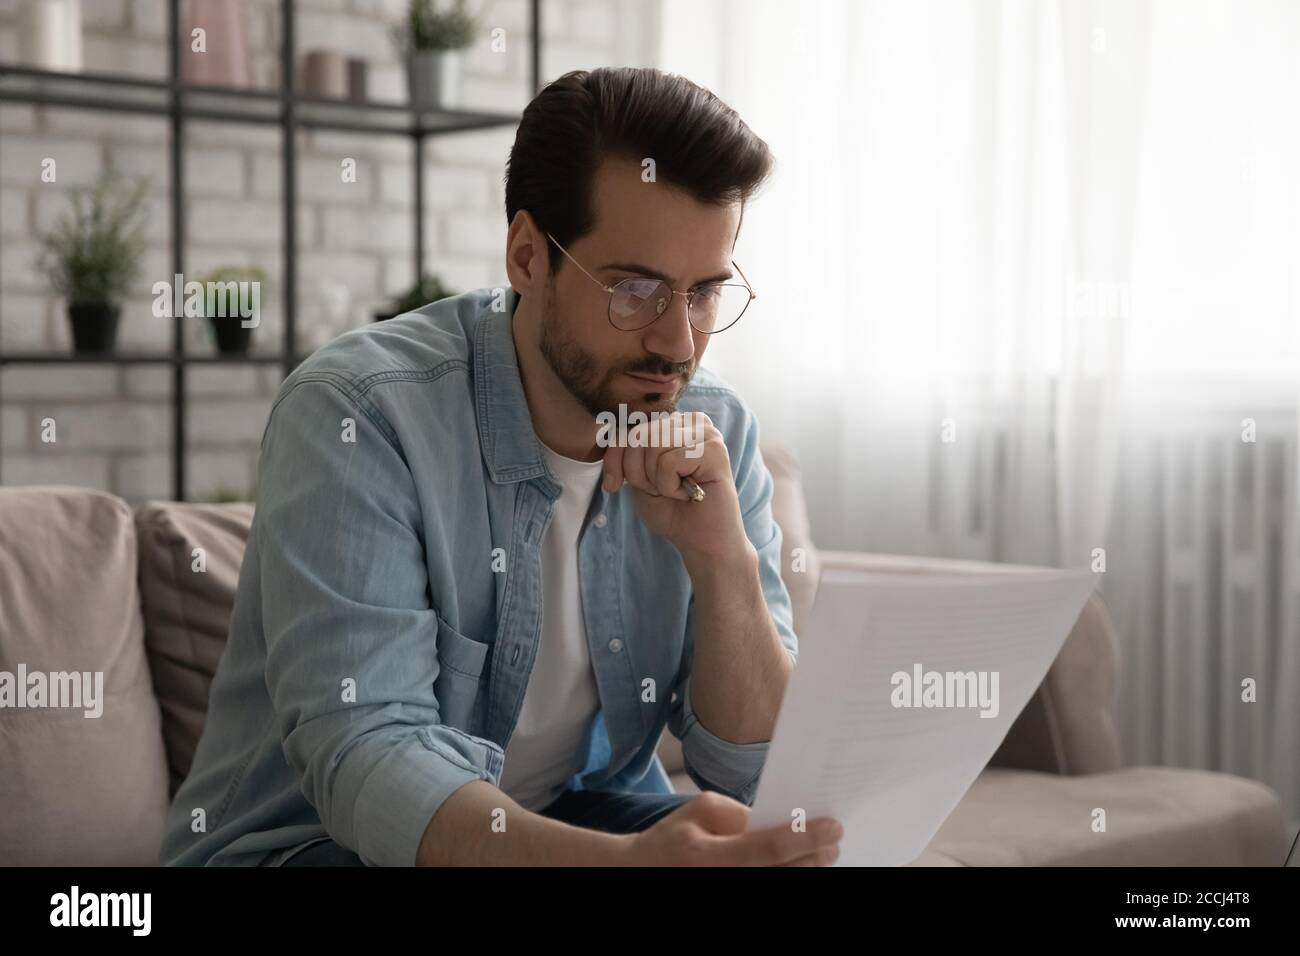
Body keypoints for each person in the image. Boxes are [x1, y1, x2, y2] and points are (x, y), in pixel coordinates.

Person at [161, 66, 843, 867]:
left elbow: (757, 774)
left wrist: (723, 563)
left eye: (702, 294)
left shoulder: (714, 425)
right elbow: (371, 760)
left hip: (577, 820)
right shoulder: (359, 414)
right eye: (636, 289)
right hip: (317, 847)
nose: (678, 344)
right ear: (527, 256)